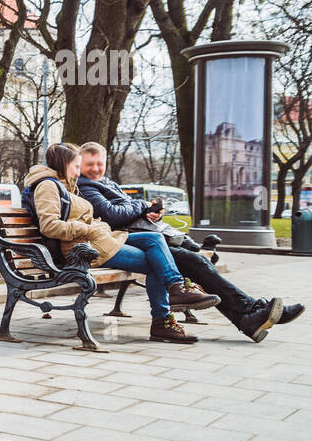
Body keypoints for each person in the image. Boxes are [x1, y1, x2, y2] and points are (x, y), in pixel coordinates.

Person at [76, 141, 302, 341]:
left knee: (195, 262)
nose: (95, 169)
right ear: (80, 165)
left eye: (100, 163)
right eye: (90, 164)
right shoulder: (85, 186)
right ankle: (249, 311)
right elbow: (111, 214)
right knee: (195, 262)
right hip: (124, 242)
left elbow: (125, 210)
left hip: (140, 238)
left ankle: (248, 317)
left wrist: (149, 212)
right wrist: (143, 206)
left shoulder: (107, 183)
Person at [24, 143, 220, 344]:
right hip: (83, 250)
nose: (78, 170)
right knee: (155, 263)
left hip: (98, 238)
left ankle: (177, 288)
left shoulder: (64, 184)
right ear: (63, 164)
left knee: (155, 238)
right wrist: (88, 229)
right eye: (76, 165)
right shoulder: (47, 186)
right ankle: (163, 322)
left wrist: (95, 227)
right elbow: (49, 226)